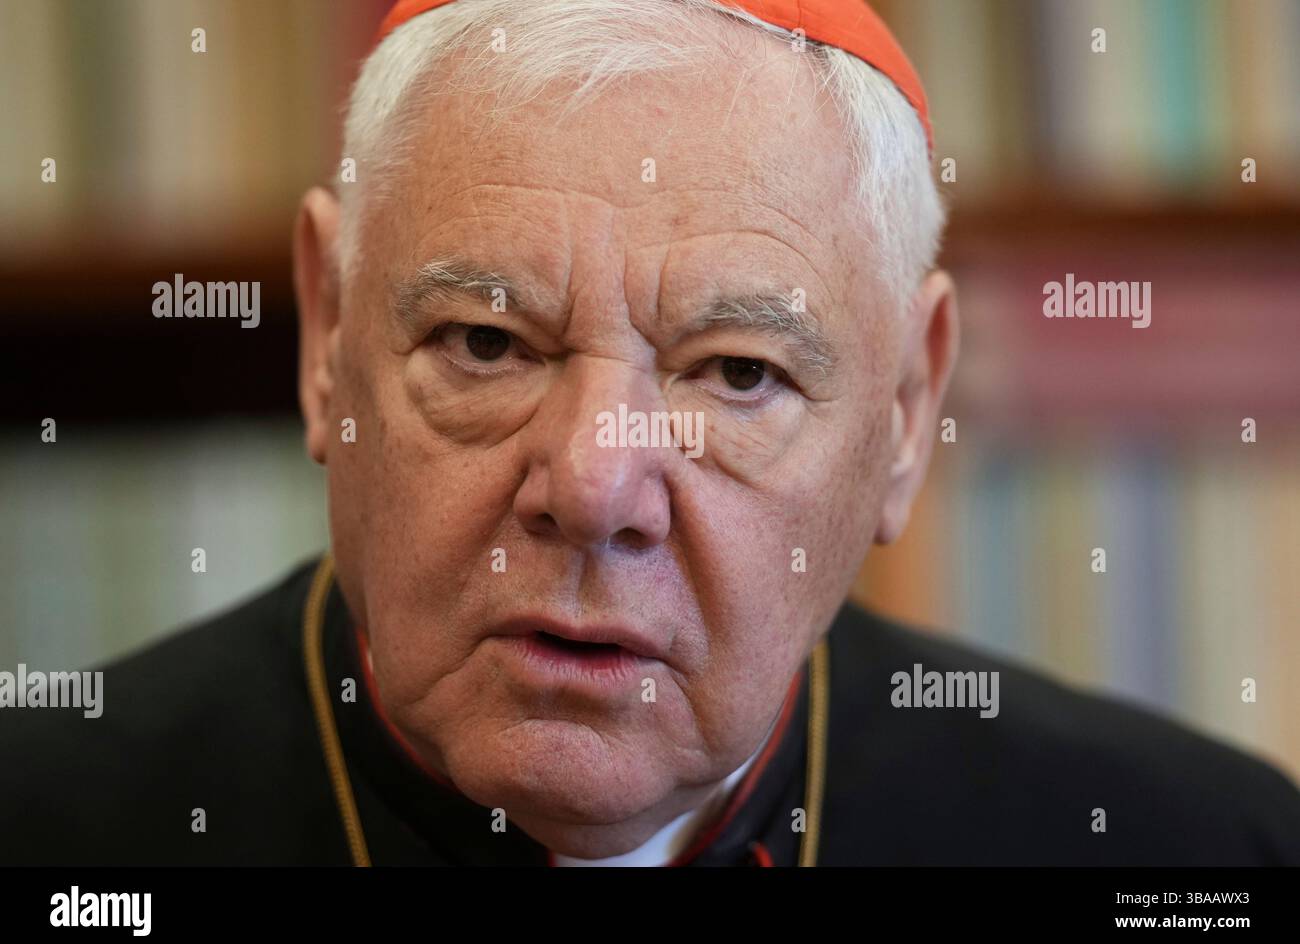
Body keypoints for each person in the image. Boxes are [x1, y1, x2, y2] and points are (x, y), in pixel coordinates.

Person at [1, 0, 1297, 866]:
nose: (595, 485)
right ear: (325, 332)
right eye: (488, 343)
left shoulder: (1192, 855)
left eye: (736, 373)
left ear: (907, 411)